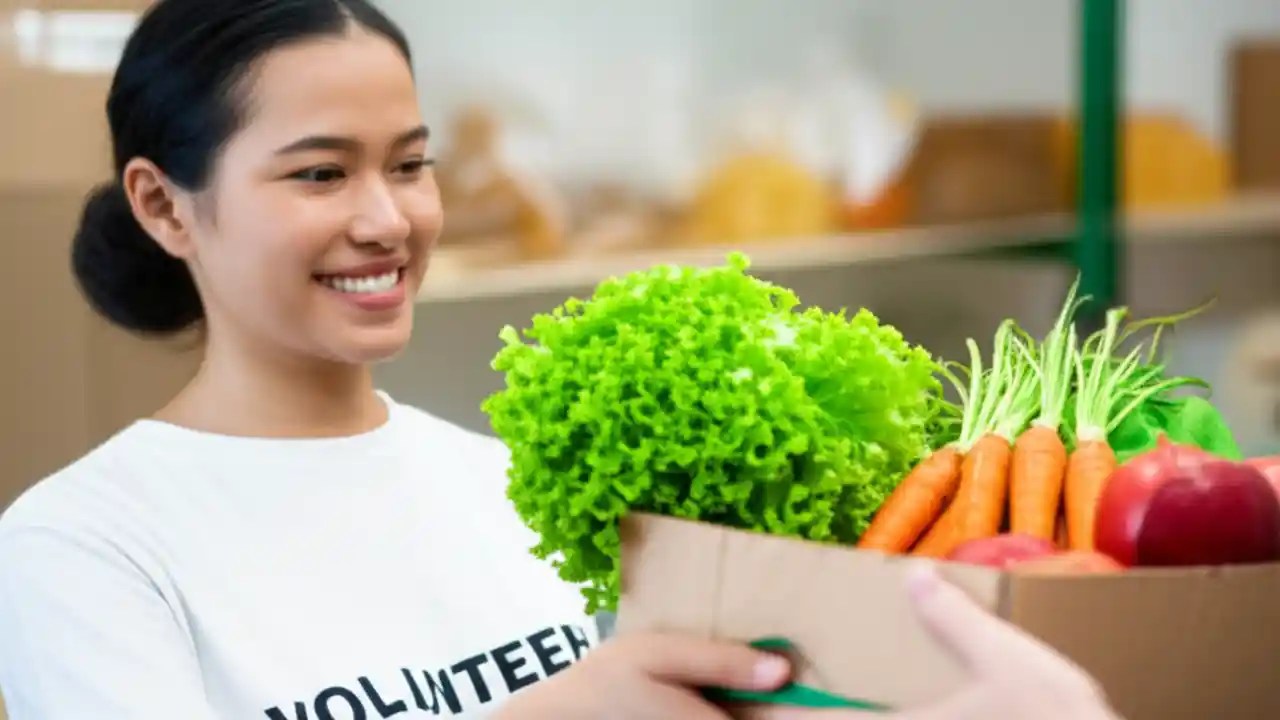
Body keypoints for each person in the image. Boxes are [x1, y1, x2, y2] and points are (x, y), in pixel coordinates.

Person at [0, 1, 1122, 718]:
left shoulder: (505, 482)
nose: (389, 220)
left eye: (411, 163)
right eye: (318, 174)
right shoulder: (80, 549)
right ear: (164, 206)